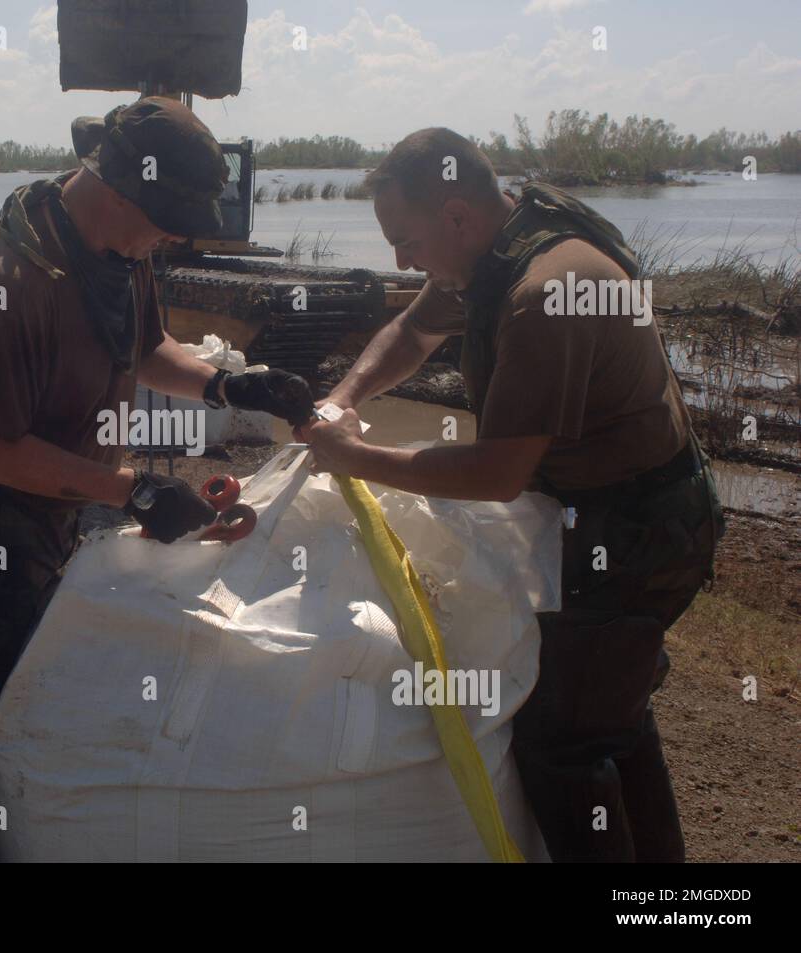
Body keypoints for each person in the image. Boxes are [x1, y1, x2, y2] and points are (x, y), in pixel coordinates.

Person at [0, 96, 315, 862]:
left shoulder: (122, 253)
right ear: (123, 192)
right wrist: (134, 490)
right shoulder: (6, 277)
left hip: (68, 509)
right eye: (165, 224)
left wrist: (230, 386)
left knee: (39, 699)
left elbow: (147, 345)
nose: (171, 240)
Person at [298, 127, 724, 862]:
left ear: (457, 216)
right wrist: (339, 401)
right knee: (611, 716)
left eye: (405, 240)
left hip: (642, 532)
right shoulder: (495, 245)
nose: (400, 260)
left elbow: (497, 473)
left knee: (561, 738)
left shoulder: (543, 293)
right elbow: (414, 327)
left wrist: (357, 458)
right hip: (611, 514)